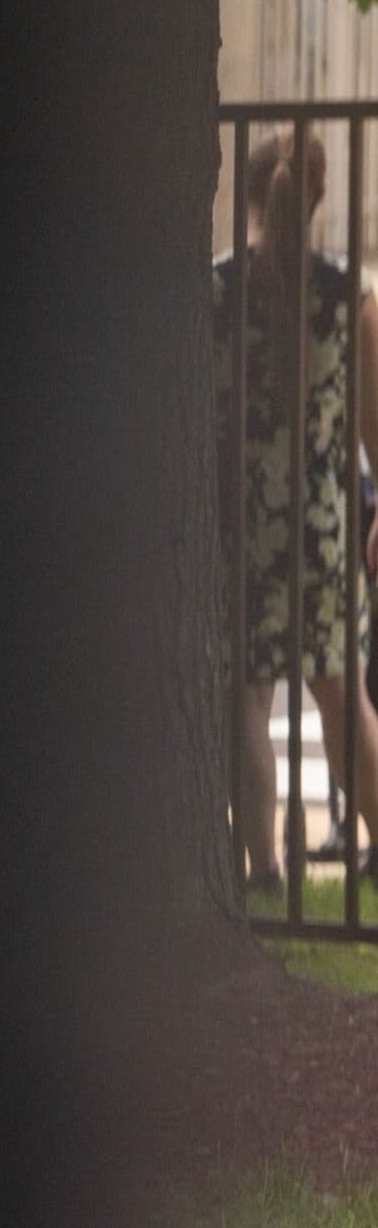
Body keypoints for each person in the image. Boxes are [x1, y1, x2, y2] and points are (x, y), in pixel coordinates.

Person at [216, 128, 378, 893]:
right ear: (315, 197)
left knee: (245, 695)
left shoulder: (215, 292)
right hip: (326, 526)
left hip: (241, 522)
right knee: (343, 701)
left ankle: (264, 870)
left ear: (248, 195)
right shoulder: (352, 296)